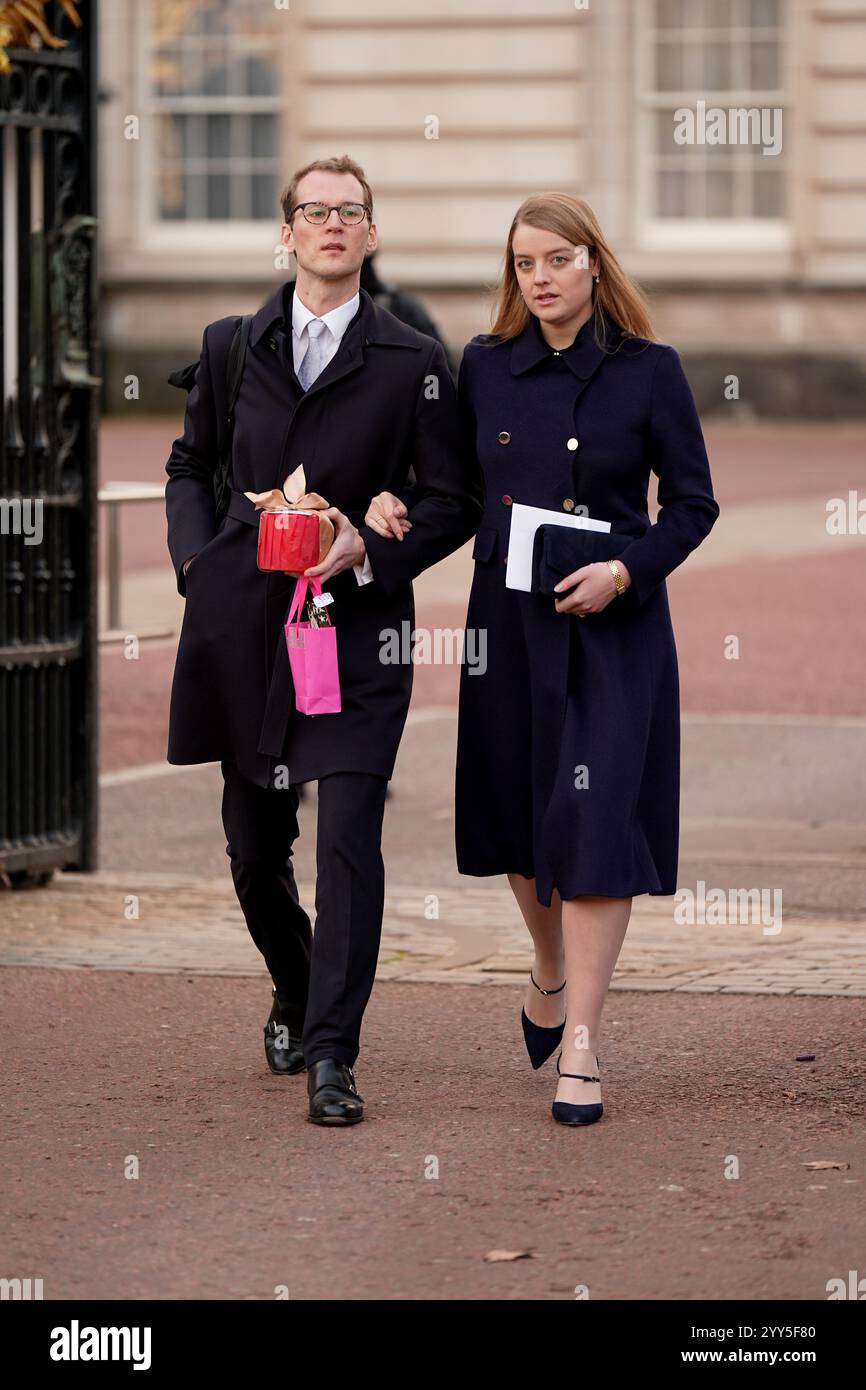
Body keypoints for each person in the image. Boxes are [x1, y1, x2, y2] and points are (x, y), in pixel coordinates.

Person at [365, 192, 719, 1128]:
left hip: (614, 628)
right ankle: (549, 963)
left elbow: (692, 505)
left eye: (558, 260)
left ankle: (585, 1046)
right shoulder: (482, 366)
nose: (542, 278)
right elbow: (454, 491)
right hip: (508, 623)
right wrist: (390, 515)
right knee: (519, 819)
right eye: (526, 264)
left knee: (599, 823)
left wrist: (624, 571)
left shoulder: (652, 372)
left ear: (593, 263)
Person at [164, 155, 482, 1126]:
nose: (333, 224)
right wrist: (197, 565)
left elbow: (453, 500)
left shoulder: (414, 362)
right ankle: (295, 987)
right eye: (315, 211)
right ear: (288, 232)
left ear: (371, 235)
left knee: (347, 843)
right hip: (247, 632)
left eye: (351, 211)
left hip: (358, 641)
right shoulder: (231, 345)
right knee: (257, 850)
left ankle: (333, 1053)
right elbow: (188, 465)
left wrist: (369, 547)